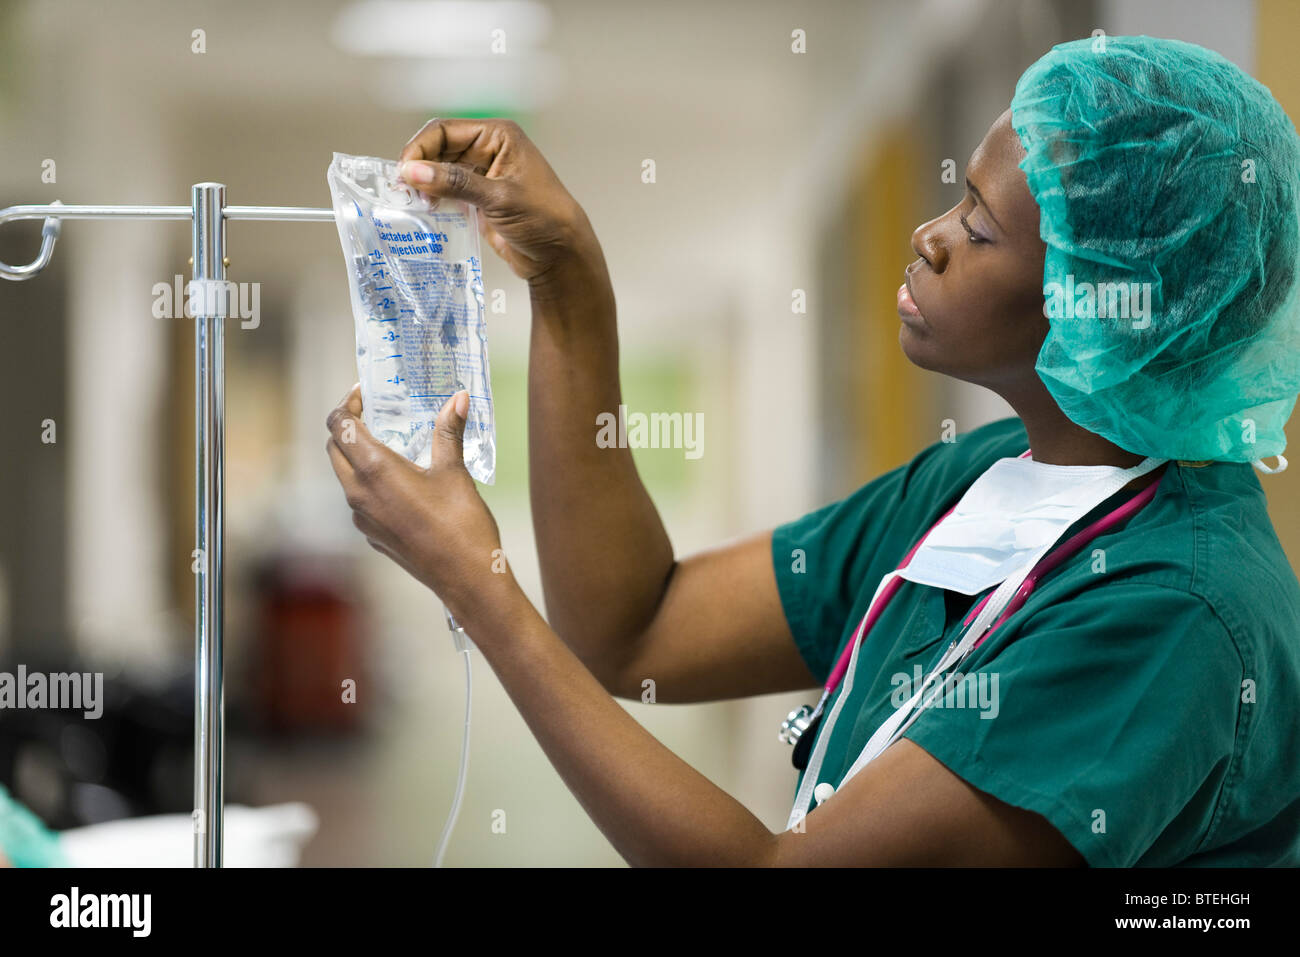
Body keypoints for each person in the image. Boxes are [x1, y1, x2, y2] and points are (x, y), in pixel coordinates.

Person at [326, 35, 1300, 866]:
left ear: (1104, 303)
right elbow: (638, 629)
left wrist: (477, 584)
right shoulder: (986, 478)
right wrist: (567, 271)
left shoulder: (1172, 607)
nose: (928, 236)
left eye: (979, 225)